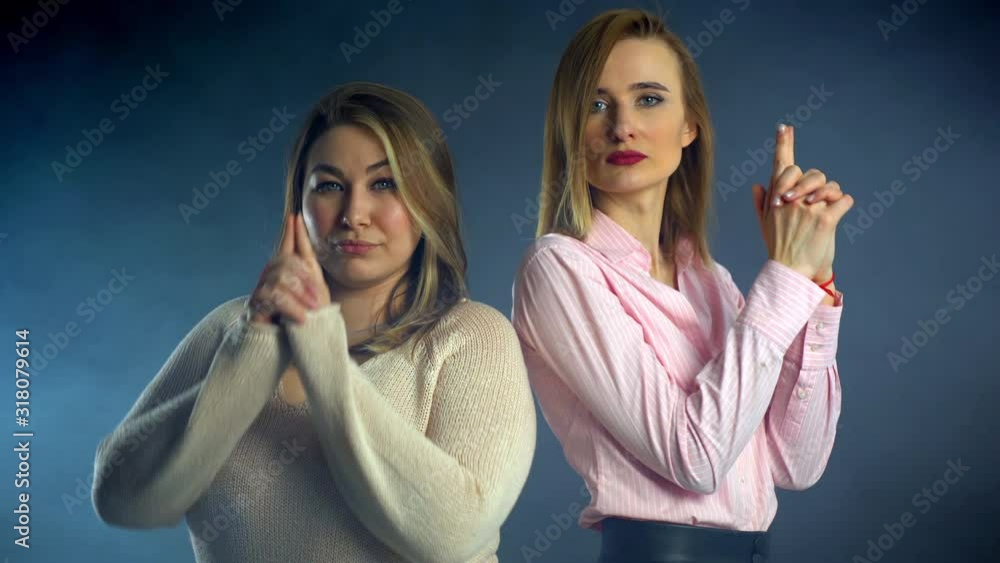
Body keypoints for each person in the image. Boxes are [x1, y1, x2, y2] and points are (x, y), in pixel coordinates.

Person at [92, 81, 537, 563]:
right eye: (329, 186)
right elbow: (124, 502)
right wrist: (254, 351)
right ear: (298, 205)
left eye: (384, 184)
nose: (354, 215)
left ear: (428, 199)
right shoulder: (231, 330)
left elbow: (453, 534)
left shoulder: (472, 337)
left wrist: (319, 347)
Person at [510, 9, 854, 563]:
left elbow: (798, 463)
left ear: (689, 125)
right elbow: (694, 456)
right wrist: (785, 277)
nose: (622, 125)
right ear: (570, 130)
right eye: (597, 105)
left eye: (649, 98)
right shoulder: (559, 270)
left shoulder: (712, 283)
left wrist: (814, 280)